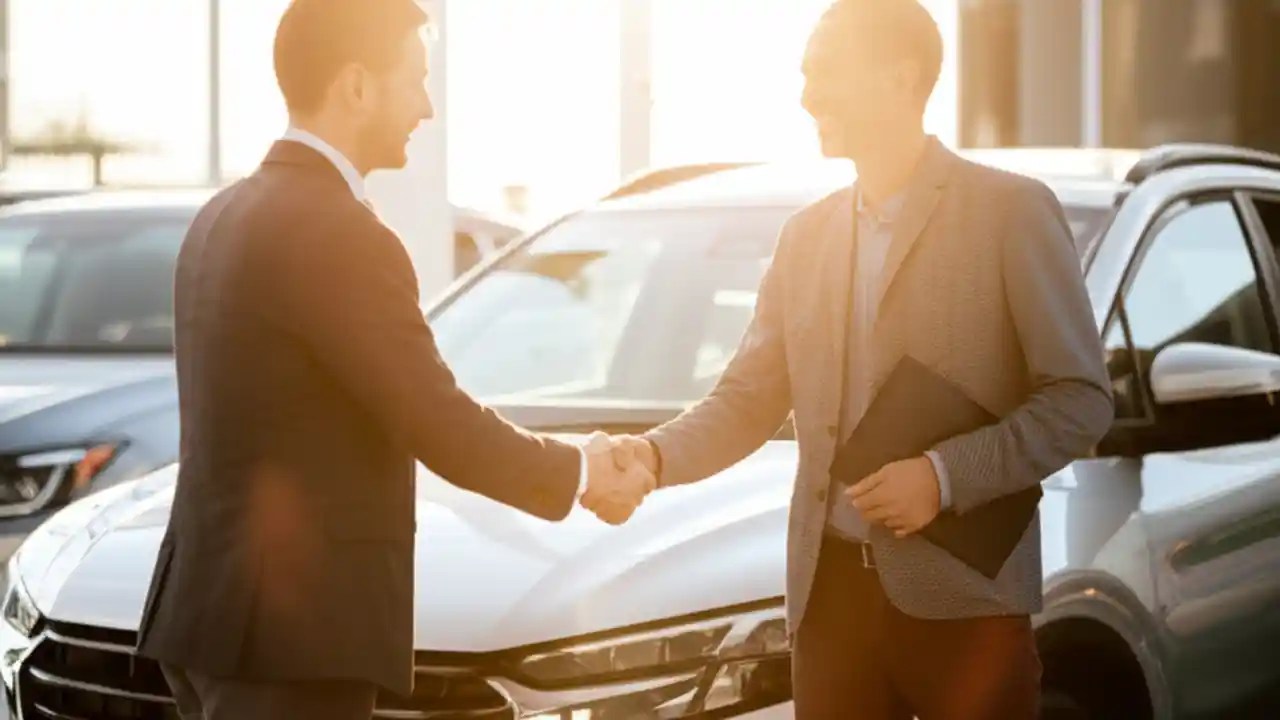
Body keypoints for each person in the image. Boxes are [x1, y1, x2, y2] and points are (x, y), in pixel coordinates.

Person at [591, 0, 1113, 717]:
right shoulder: (805, 237)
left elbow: (1080, 400)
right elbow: (746, 400)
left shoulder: (1011, 213)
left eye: (825, 71)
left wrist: (942, 476)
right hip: (829, 604)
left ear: (900, 80)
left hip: (967, 610)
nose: (807, 96)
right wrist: (651, 458)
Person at [134, 2, 652, 719]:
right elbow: (433, 416)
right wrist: (584, 471)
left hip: (207, 617)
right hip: (293, 639)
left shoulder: (224, 215)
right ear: (356, 86)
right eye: (414, 80)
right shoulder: (340, 232)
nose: (427, 107)